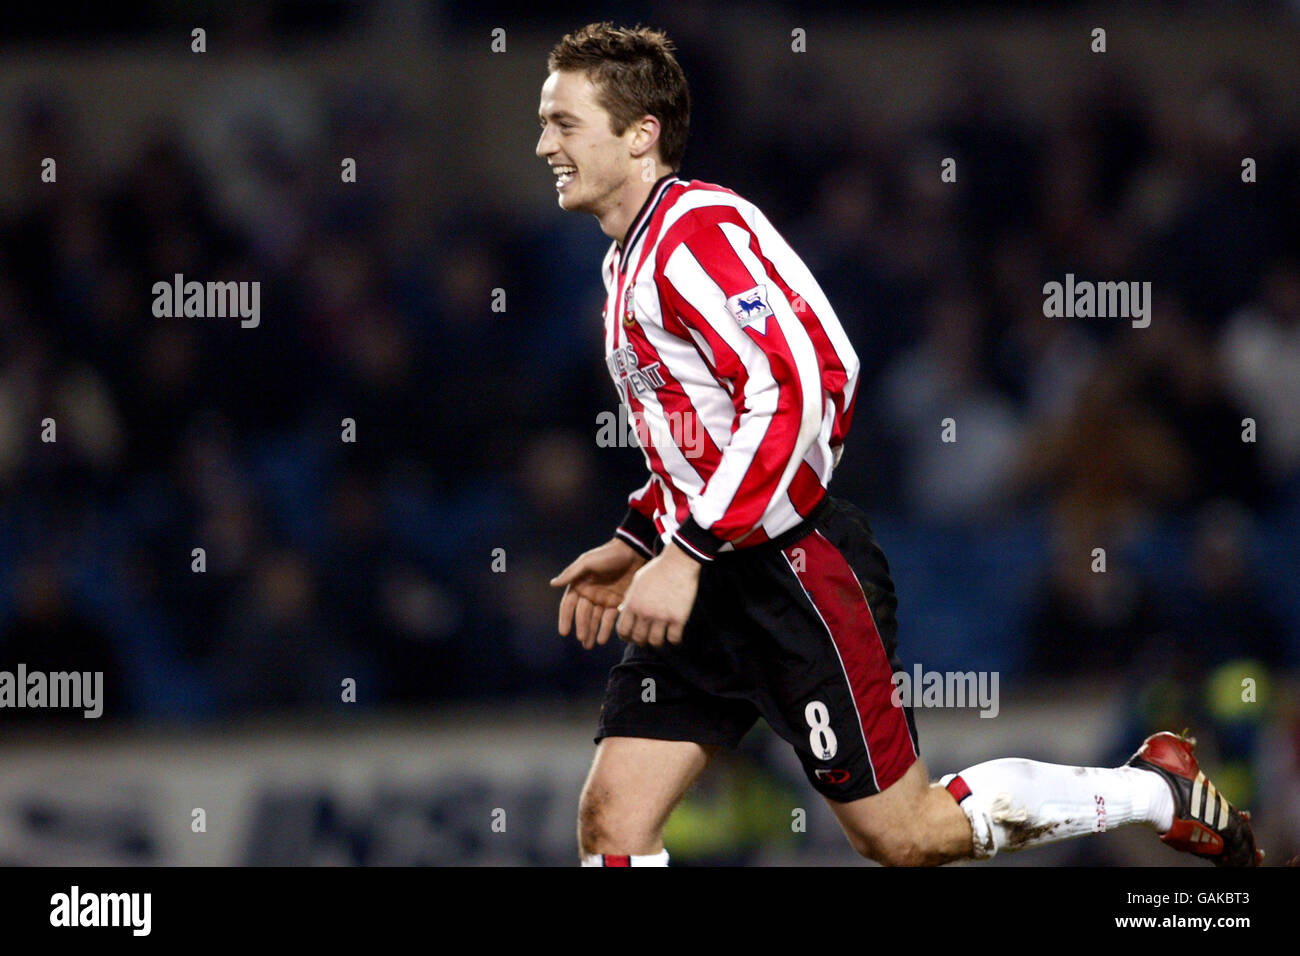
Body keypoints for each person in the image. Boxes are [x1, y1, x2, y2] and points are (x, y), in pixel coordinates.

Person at [539, 22, 1262, 868]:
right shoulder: (625, 260)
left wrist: (689, 551)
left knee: (906, 835)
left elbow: (802, 384)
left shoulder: (696, 231)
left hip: (790, 574)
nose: (545, 142)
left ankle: (1153, 789)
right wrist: (637, 541)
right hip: (709, 582)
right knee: (614, 824)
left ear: (639, 133)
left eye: (564, 122)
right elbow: (699, 436)